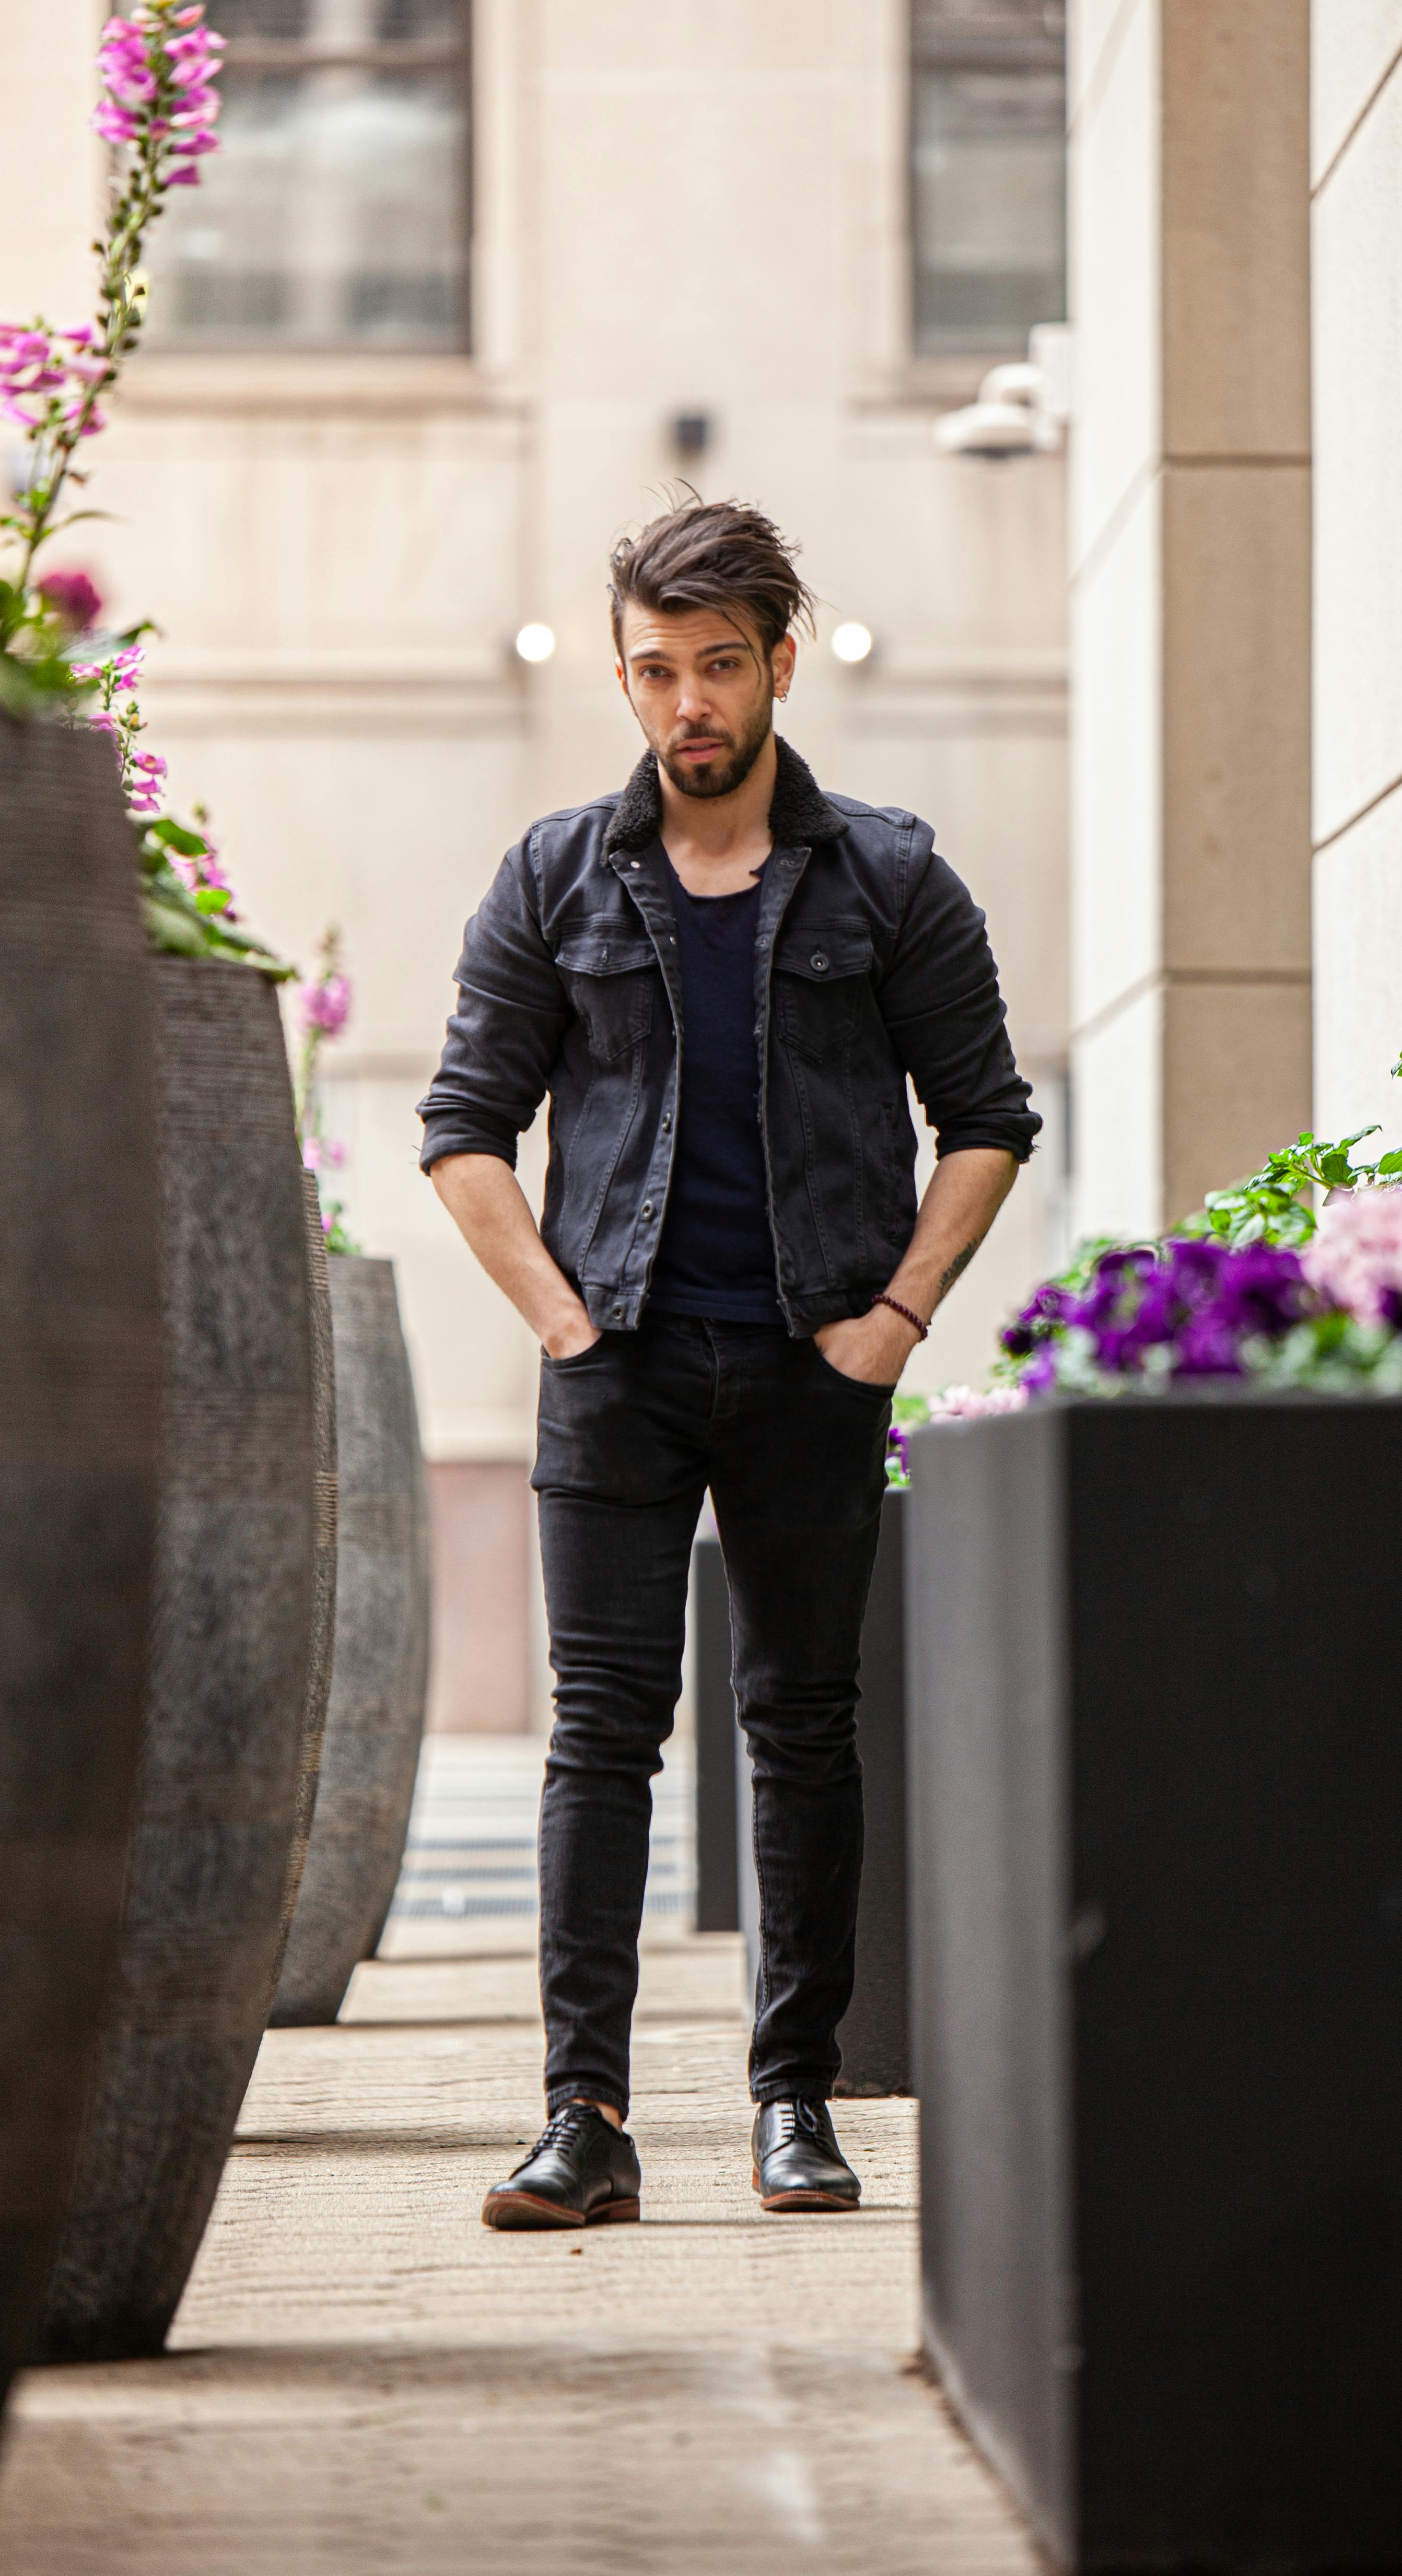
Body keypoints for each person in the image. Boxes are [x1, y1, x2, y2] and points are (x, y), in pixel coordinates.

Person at [418, 498, 1038, 2230]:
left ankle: (794, 2105)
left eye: (714, 666)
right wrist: (558, 1317)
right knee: (598, 1735)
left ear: (780, 658)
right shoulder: (554, 876)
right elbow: (464, 1129)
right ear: (622, 677)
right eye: (652, 670)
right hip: (612, 1368)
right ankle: (582, 2122)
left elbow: (985, 1121)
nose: (684, 703)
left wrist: (893, 1322)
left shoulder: (890, 876)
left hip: (809, 1366)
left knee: (801, 1729)